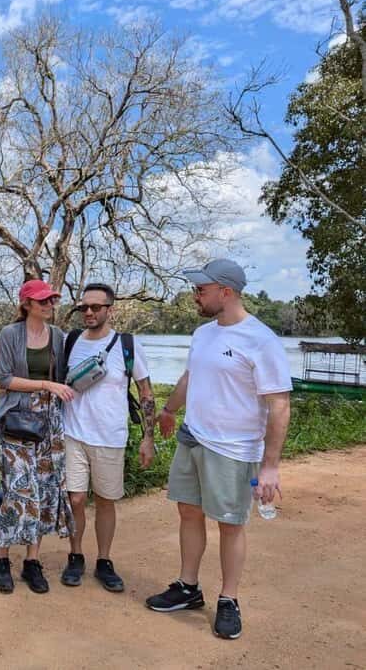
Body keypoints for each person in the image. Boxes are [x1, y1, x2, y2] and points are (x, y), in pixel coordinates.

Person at [146, 259, 291, 640]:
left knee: (230, 523)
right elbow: (190, 376)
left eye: (201, 290)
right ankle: (188, 587)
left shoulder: (260, 339)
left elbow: (279, 404)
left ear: (226, 292)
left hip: (233, 449)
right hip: (193, 437)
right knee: (188, 512)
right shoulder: (203, 334)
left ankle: (229, 599)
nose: (195, 295)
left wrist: (270, 466)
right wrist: (169, 410)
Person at [59, 283, 156, 593]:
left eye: (96, 307)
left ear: (109, 310)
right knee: (75, 498)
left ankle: (104, 560)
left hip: (110, 437)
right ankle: (75, 555)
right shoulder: (70, 341)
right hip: (73, 433)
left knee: (105, 501)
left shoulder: (127, 345)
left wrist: (148, 438)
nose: (88, 312)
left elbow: (145, 392)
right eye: (84, 307)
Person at [0, 279, 76, 594]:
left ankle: (32, 561)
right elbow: (5, 379)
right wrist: (45, 385)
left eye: (51, 300)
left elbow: (64, 377)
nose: (49, 305)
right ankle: (2, 559)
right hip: (18, 417)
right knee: (16, 488)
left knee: (43, 488)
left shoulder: (57, 336)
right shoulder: (11, 334)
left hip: (49, 420)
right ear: (26, 304)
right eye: (42, 301)